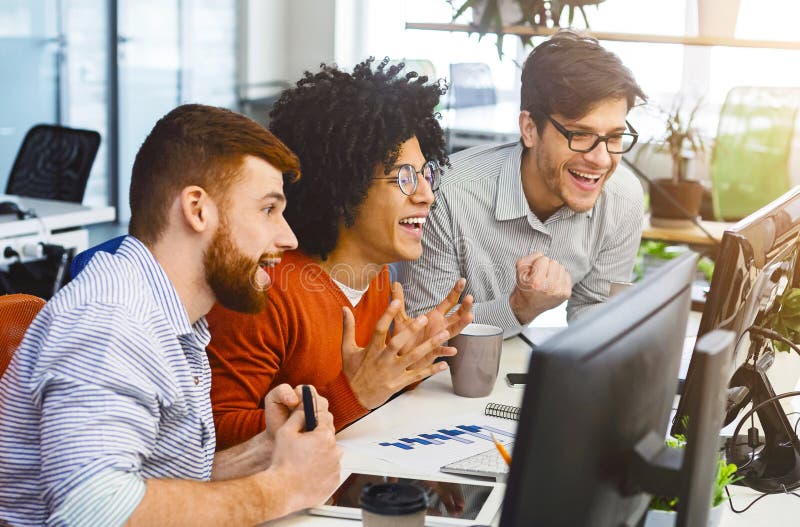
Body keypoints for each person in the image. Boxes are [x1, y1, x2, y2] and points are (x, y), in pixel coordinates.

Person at [0, 104, 342, 526]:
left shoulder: (164, 315)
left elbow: (151, 484)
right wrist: (284, 488)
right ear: (198, 209)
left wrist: (266, 451)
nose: (288, 237)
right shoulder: (112, 322)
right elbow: (91, 512)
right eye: (268, 209)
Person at [206, 57, 474, 449]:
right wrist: (353, 393)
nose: (426, 195)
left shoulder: (377, 278)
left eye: (425, 174)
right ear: (343, 187)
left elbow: (366, 402)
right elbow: (215, 438)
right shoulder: (264, 292)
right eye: (403, 177)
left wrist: (406, 361)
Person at [396, 30, 647, 334]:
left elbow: (596, 307)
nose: (602, 159)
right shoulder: (446, 194)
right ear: (529, 129)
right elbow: (421, 330)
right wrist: (518, 307)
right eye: (580, 135)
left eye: (615, 137)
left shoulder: (623, 197)